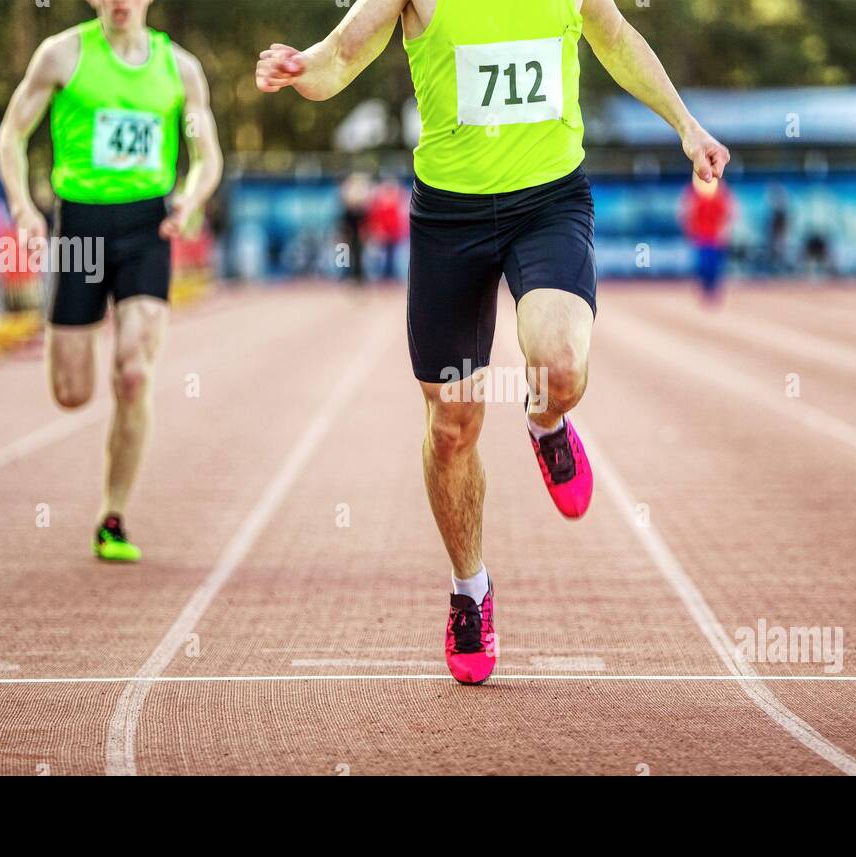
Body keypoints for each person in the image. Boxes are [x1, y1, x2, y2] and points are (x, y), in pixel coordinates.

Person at [256, 0, 729, 684]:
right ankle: (469, 590)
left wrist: (687, 126)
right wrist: (302, 69)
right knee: (452, 424)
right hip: (451, 219)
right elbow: (341, 53)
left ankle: (546, 420)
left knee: (560, 366)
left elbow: (618, 40)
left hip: (549, 204)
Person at [0, 0, 222, 562]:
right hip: (81, 228)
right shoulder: (61, 55)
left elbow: (206, 154)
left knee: (132, 373)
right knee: (72, 393)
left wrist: (191, 199)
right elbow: (11, 136)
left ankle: (113, 515)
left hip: (148, 227)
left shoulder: (181, 69)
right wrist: (24, 208)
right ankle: (78, 340)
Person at [679, 174, 734, 303]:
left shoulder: (720, 192)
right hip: (702, 236)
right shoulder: (694, 190)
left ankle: (713, 289)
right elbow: (686, 211)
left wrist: (725, 231)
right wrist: (689, 229)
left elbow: (728, 214)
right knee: (704, 264)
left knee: (714, 265)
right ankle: (705, 288)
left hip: (715, 236)